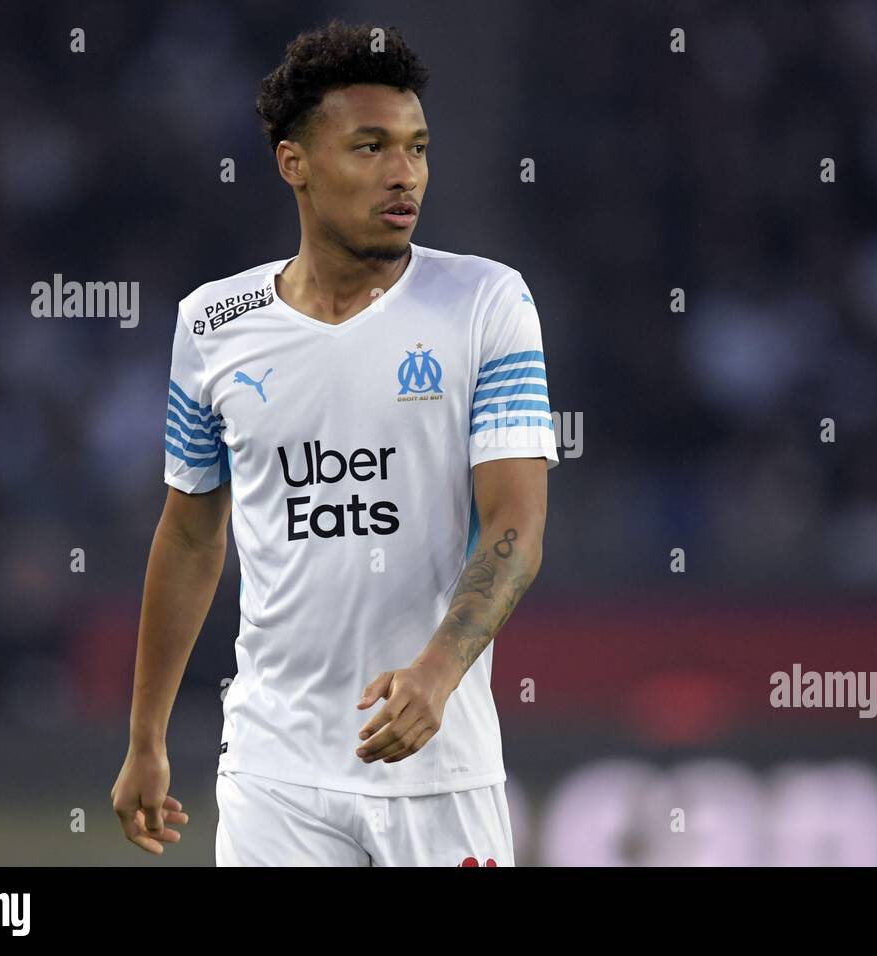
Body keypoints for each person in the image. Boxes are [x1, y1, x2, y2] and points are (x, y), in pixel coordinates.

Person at [110, 19, 558, 866]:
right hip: (274, 770)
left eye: (417, 148)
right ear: (296, 164)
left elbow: (515, 529)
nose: (404, 174)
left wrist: (434, 672)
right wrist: (146, 736)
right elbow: (192, 534)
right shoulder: (213, 325)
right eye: (370, 146)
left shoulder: (487, 304)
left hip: (439, 768)